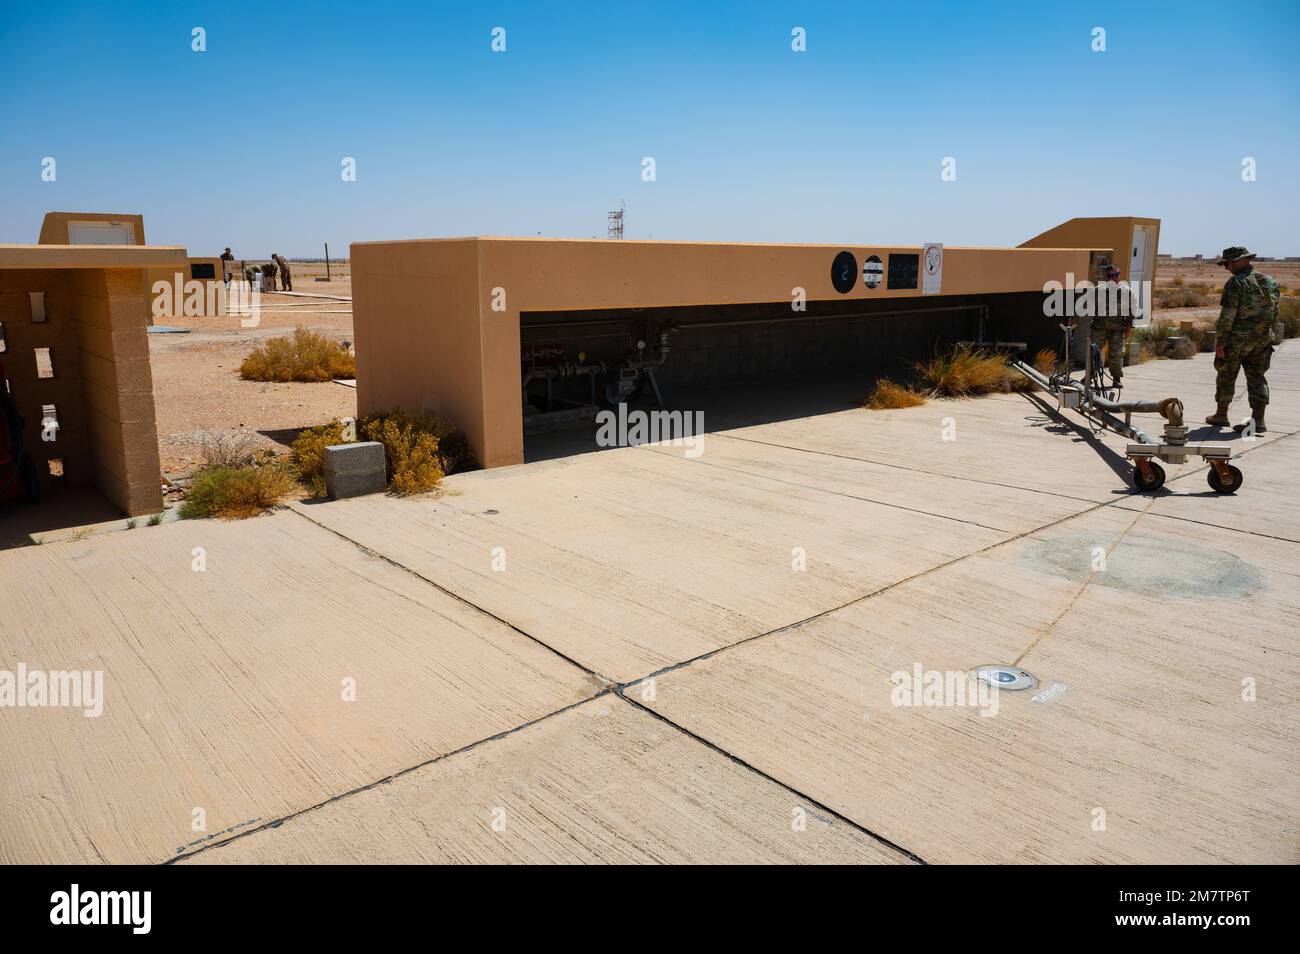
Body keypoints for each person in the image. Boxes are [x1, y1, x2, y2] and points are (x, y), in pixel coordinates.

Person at [1204, 246, 1279, 433]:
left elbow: (1227, 316)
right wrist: (1271, 336)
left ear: (1240, 261)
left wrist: (1220, 343)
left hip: (1237, 340)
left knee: (1226, 375)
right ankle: (1258, 421)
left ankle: (1221, 415)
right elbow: (1276, 313)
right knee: (1257, 377)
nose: (1226, 268)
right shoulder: (1270, 282)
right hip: (1262, 339)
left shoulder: (1236, 283)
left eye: (1228, 263)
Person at [1090, 264, 1132, 385]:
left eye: (1116, 274)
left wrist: (1128, 329)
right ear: (1107, 276)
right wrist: (1075, 317)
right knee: (1094, 354)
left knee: (1116, 355)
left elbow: (1129, 312)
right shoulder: (1098, 290)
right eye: (1111, 275)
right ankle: (1091, 376)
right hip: (1099, 328)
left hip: (1117, 329)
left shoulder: (1125, 292)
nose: (1114, 277)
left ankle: (1116, 379)